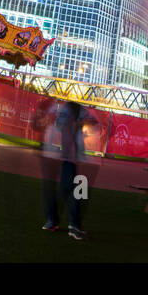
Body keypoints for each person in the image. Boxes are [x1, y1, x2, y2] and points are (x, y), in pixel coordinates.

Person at [40, 99, 90, 240]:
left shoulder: (75, 110)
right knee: (70, 191)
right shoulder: (62, 110)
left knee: (71, 190)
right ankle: (68, 224)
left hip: (67, 159)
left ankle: (63, 223)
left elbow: (91, 123)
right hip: (59, 157)